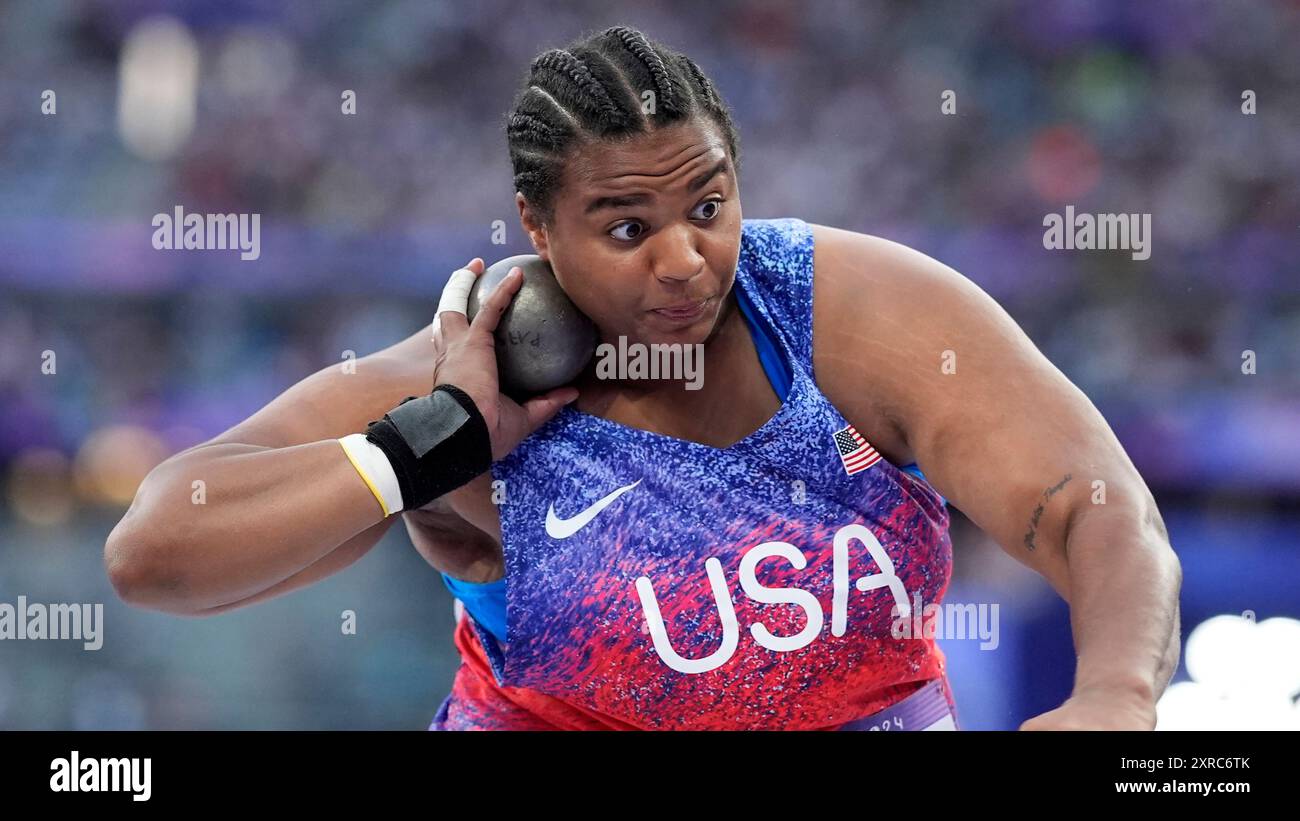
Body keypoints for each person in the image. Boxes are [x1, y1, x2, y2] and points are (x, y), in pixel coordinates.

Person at [107, 25, 1182, 732]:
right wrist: (430, 442)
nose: (683, 259)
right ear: (536, 226)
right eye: (627, 227)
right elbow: (155, 549)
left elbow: (1098, 504)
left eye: (707, 206)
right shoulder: (459, 371)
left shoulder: (849, 310)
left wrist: (1116, 694)